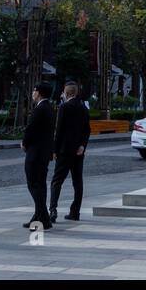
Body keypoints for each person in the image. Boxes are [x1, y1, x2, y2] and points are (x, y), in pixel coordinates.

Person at [49, 80, 91, 223]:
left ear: (67, 93)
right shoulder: (83, 108)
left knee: (56, 181)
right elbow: (87, 130)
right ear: (76, 92)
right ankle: (75, 212)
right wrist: (82, 146)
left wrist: (54, 150)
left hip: (64, 151)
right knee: (77, 182)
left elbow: (58, 130)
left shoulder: (64, 107)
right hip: (78, 152)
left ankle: (53, 210)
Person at [22, 82, 56, 230]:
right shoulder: (49, 108)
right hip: (44, 153)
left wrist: (24, 142)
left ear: (39, 93)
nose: (33, 93)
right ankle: (38, 217)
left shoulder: (40, 109)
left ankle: (44, 219)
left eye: (34, 90)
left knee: (33, 185)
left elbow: (31, 129)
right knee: (40, 185)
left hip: (35, 153)